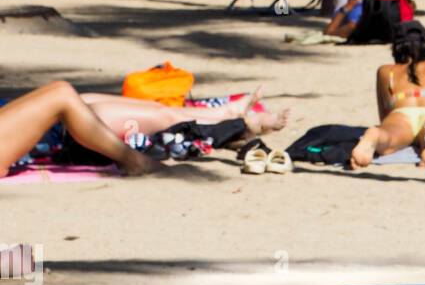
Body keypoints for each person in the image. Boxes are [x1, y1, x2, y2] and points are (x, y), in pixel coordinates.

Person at [0, 83, 287, 179]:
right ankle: (133, 160)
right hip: (57, 138)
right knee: (62, 94)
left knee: (79, 97)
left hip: (46, 130)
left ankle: (227, 116)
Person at [350, 21, 425, 170]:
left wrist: (389, 126)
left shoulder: (385, 71)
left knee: (389, 136)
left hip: (402, 114)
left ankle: (376, 136)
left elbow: (384, 114)